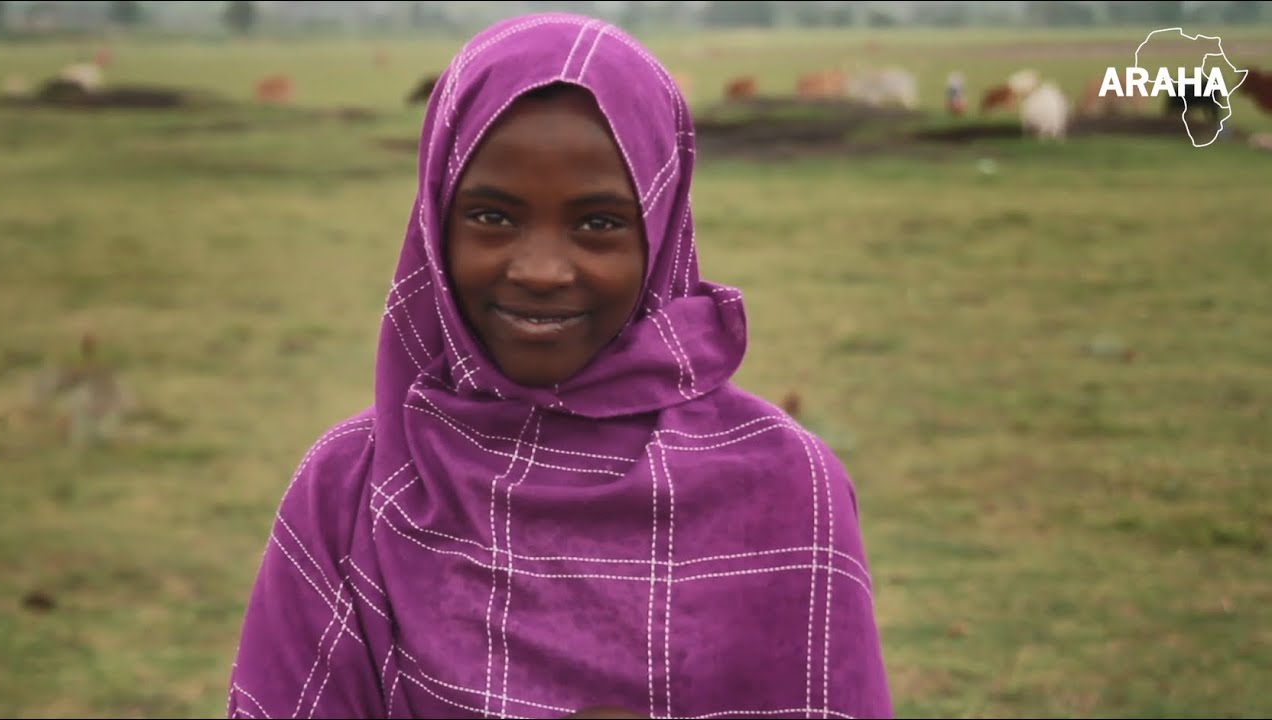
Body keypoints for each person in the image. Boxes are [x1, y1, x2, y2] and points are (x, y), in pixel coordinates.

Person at [226, 11, 893, 720]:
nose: (540, 270)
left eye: (599, 223)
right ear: (434, 224)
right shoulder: (351, 486)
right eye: (491, 216)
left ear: (661, 232)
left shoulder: (788, 487)